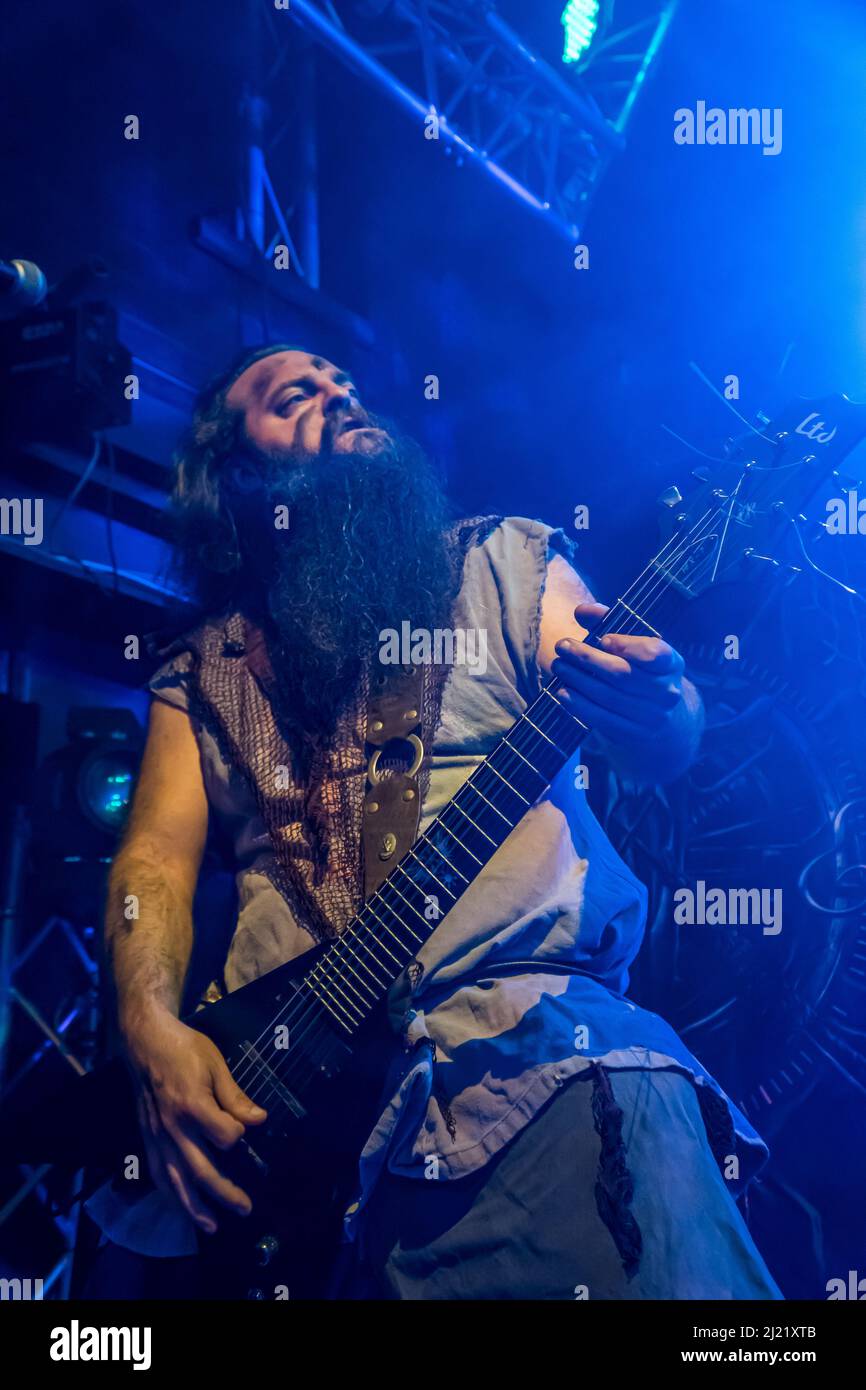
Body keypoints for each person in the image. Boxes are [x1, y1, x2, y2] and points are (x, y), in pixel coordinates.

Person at [82, 343, 782, 1300]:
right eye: (296, 396)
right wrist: (147, 1028)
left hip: (534, 1070)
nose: (337, 398)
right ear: (235, 473)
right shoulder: (200, 673)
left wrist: (667, 710)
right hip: (277, 1118)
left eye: (344, 385)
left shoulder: (501, 559)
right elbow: (153, 863)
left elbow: (656, 721)